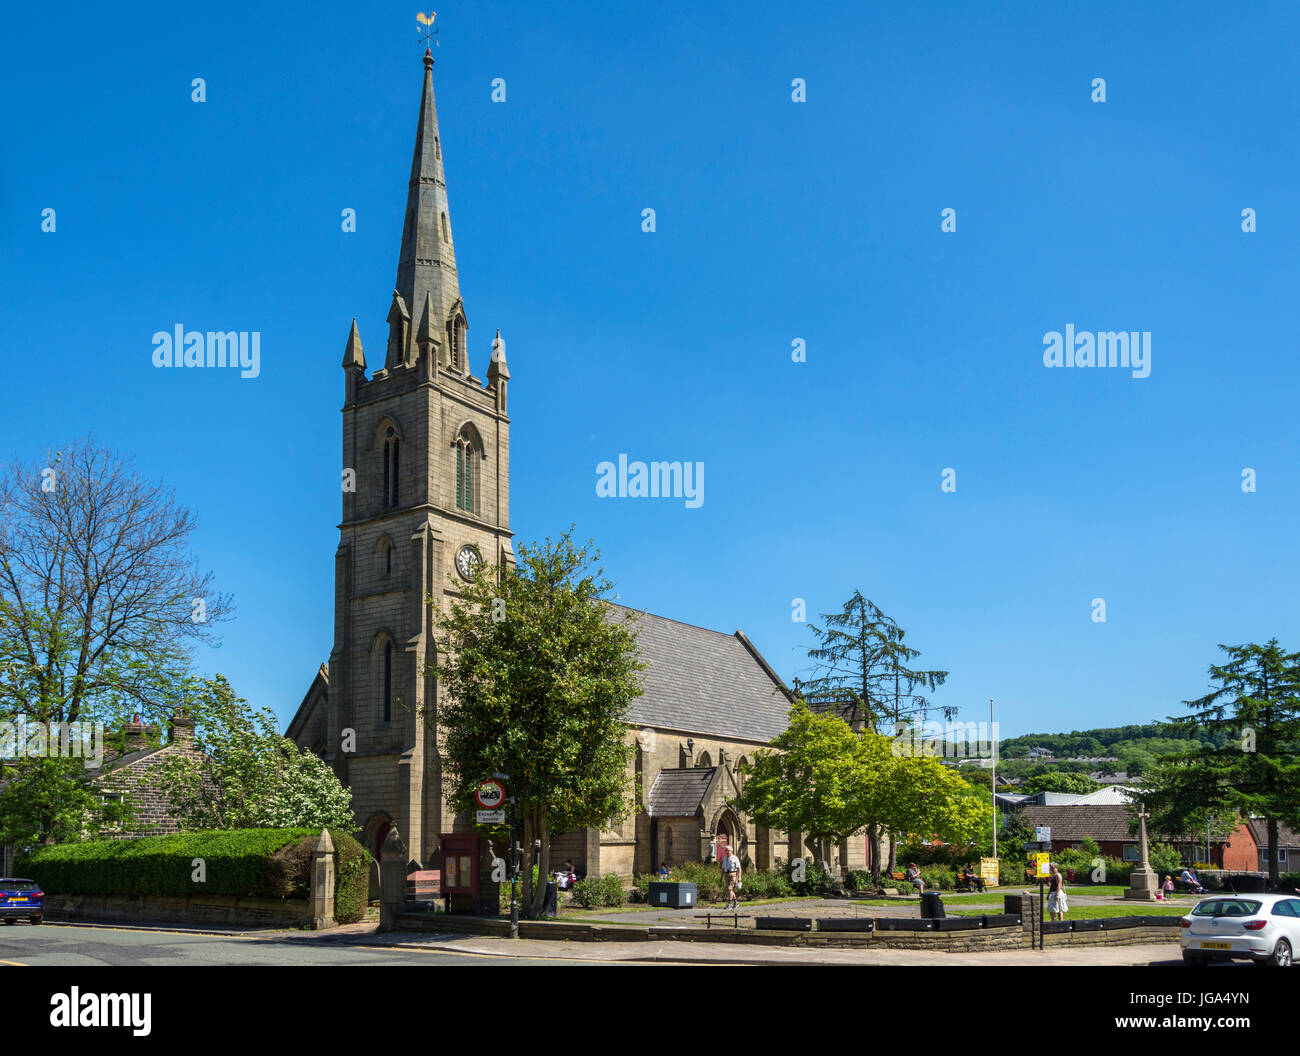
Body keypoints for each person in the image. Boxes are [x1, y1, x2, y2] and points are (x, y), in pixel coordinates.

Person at [721, 844, 742, 909]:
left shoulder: (735, 858)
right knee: (731, 890)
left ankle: (729, 904)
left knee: (730, 889)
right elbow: (723, 868)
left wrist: (739, 877)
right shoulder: (725, 858)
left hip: (733, 874)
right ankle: (736, 903)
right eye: (725, 850)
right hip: (726, 875)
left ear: (731, 851)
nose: (726, 851)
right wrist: (721, 877)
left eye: (727, 850)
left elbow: (739, 868)